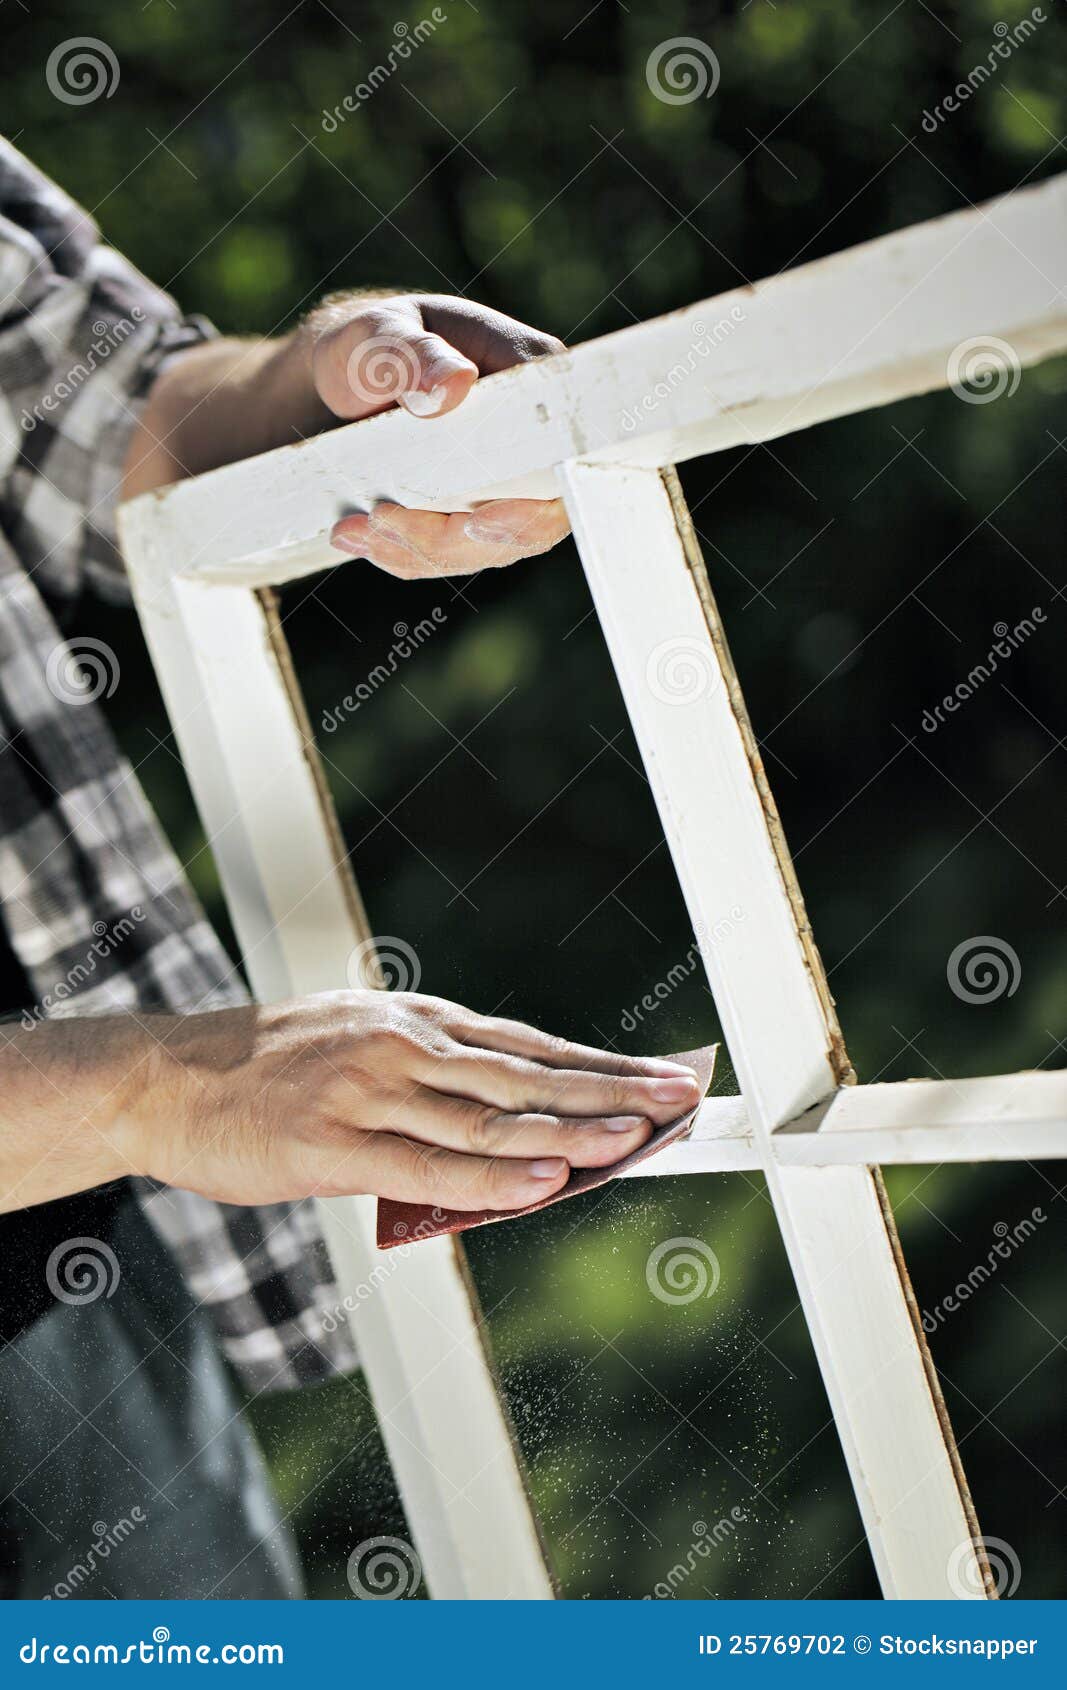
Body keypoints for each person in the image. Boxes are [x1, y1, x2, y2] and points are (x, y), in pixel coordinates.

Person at [0, 141, 702, 1598]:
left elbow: (90, 409)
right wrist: (151, 1087)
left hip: (52, 1269)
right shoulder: (147, 1093)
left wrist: (342, 393)